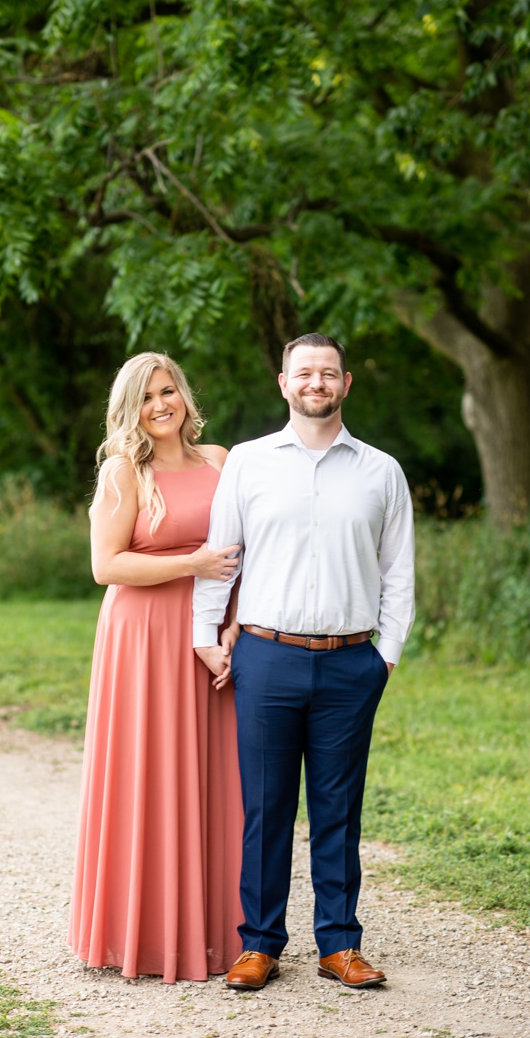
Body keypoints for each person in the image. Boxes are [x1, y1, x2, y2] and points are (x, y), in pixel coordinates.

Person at [194, 332, 415, 992]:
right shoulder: (250, 463)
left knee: (337, 806)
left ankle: (339, 944)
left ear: (346, 384)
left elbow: (397, 575)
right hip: (266, 656)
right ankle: (259, 944)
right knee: (265, 805)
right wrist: (208, 632)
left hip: (352, 663)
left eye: (328, 373)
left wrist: (386, 659)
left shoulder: (381, 471)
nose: (316, 382)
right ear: (284, 384)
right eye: (304, 372)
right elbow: (220, 553)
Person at [69, 352, 245, 982]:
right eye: (146, 397)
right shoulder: (123, 472)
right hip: (140, 638)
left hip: (210, 636)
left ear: (184, 396)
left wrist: (232, 623)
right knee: (146, 774)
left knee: (213, 776)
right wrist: (191, 564)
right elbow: (106, 565)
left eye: (168, 391)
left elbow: (244, 551)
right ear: (130, 409)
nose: (161, 404)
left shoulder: (221, 462)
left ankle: (219, 937)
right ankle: (138, 935)